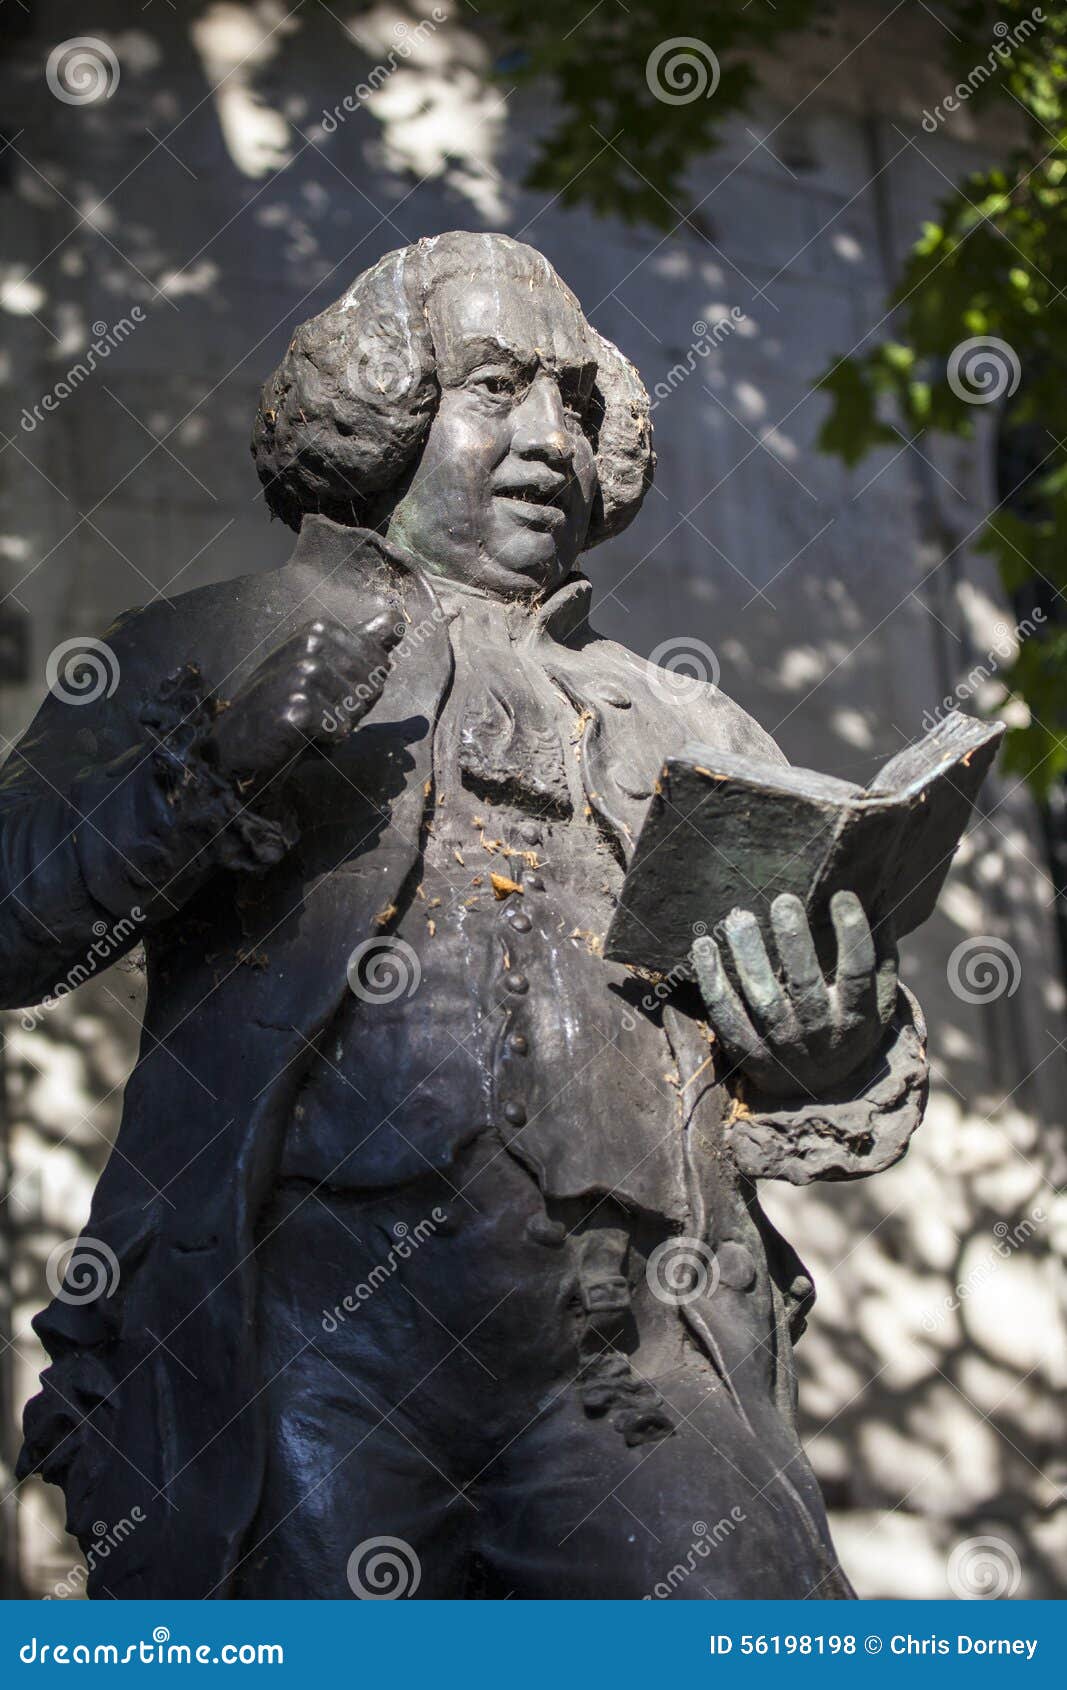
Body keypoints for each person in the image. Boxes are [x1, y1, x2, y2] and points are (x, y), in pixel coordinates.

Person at [7, 232, 926, 1599]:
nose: (552, 436)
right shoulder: (210, 642)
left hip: (636, 1338)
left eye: (578, 401)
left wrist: (825, 1038)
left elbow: (829, 1042)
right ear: (384, 409)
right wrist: (209, 768)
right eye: (497, 388)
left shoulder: (691, 723)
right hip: (305, 1321)